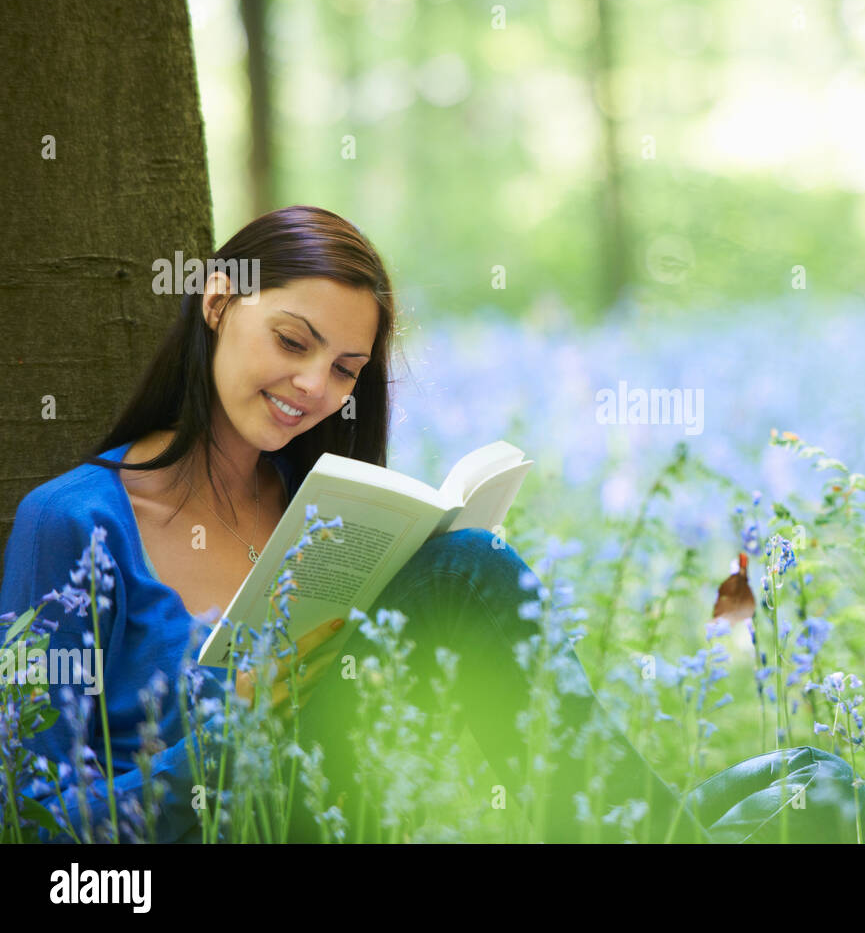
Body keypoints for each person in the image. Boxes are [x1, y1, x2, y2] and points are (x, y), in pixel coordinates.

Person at [0, 205, 711, 844]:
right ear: (217, 301)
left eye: (346, 368)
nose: (315, 387)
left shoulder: (322, 512)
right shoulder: (72, 521)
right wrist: (227, 730)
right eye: (291, 341)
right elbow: (32, 822)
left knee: (465, 563)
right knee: (467, 570)